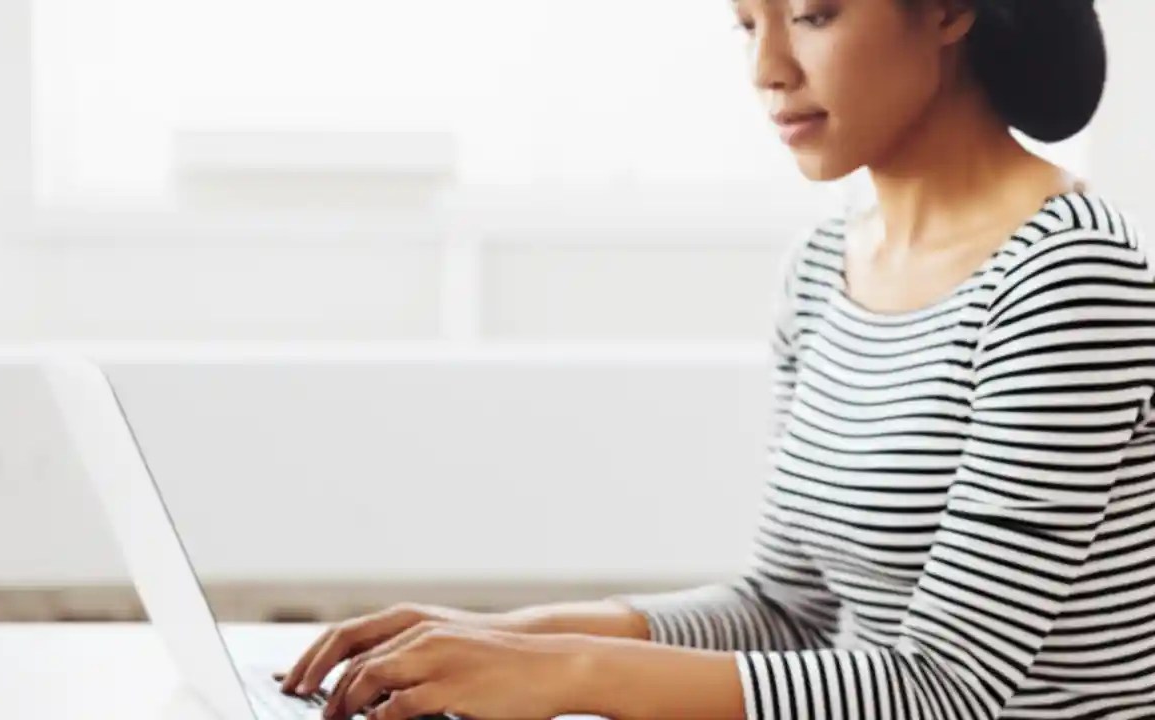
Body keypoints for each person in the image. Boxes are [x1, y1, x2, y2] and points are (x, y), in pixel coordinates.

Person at [277, 1, 1155, 718]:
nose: (767, 69)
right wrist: (505, 637)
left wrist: (561, 675)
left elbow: (945, 686)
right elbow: (786, 611)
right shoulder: (823, 268)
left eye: (812, 16)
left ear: (950, 12)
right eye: (746, 24)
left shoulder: (1065, 276)